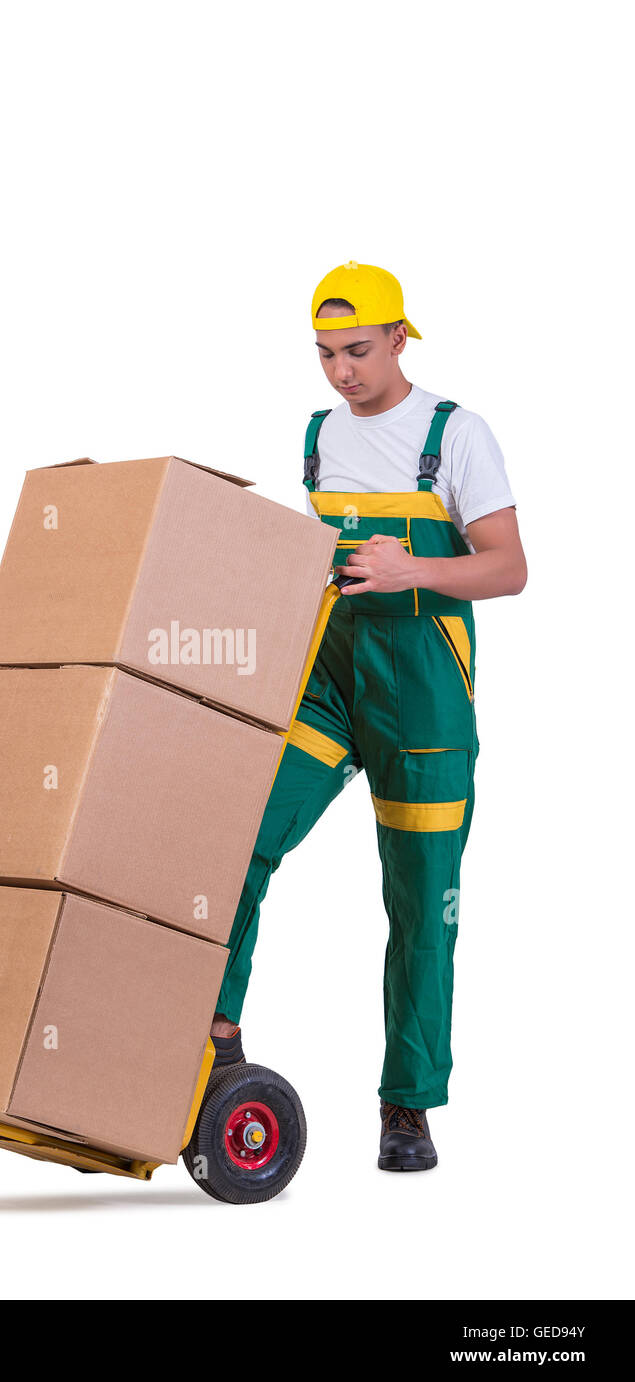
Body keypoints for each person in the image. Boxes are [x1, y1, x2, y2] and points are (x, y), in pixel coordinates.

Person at [209, 261, 527, 1171]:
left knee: (421, 903)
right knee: (238, 835)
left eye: (356, 349)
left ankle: (406, 1105)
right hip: (331, 679)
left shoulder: (454, 433)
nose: (341, 371)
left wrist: (413, 570)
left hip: (424, 698)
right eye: (323, 354)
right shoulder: (316, 437)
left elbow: (507, 567)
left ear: (398, 338)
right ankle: (216, 1037)